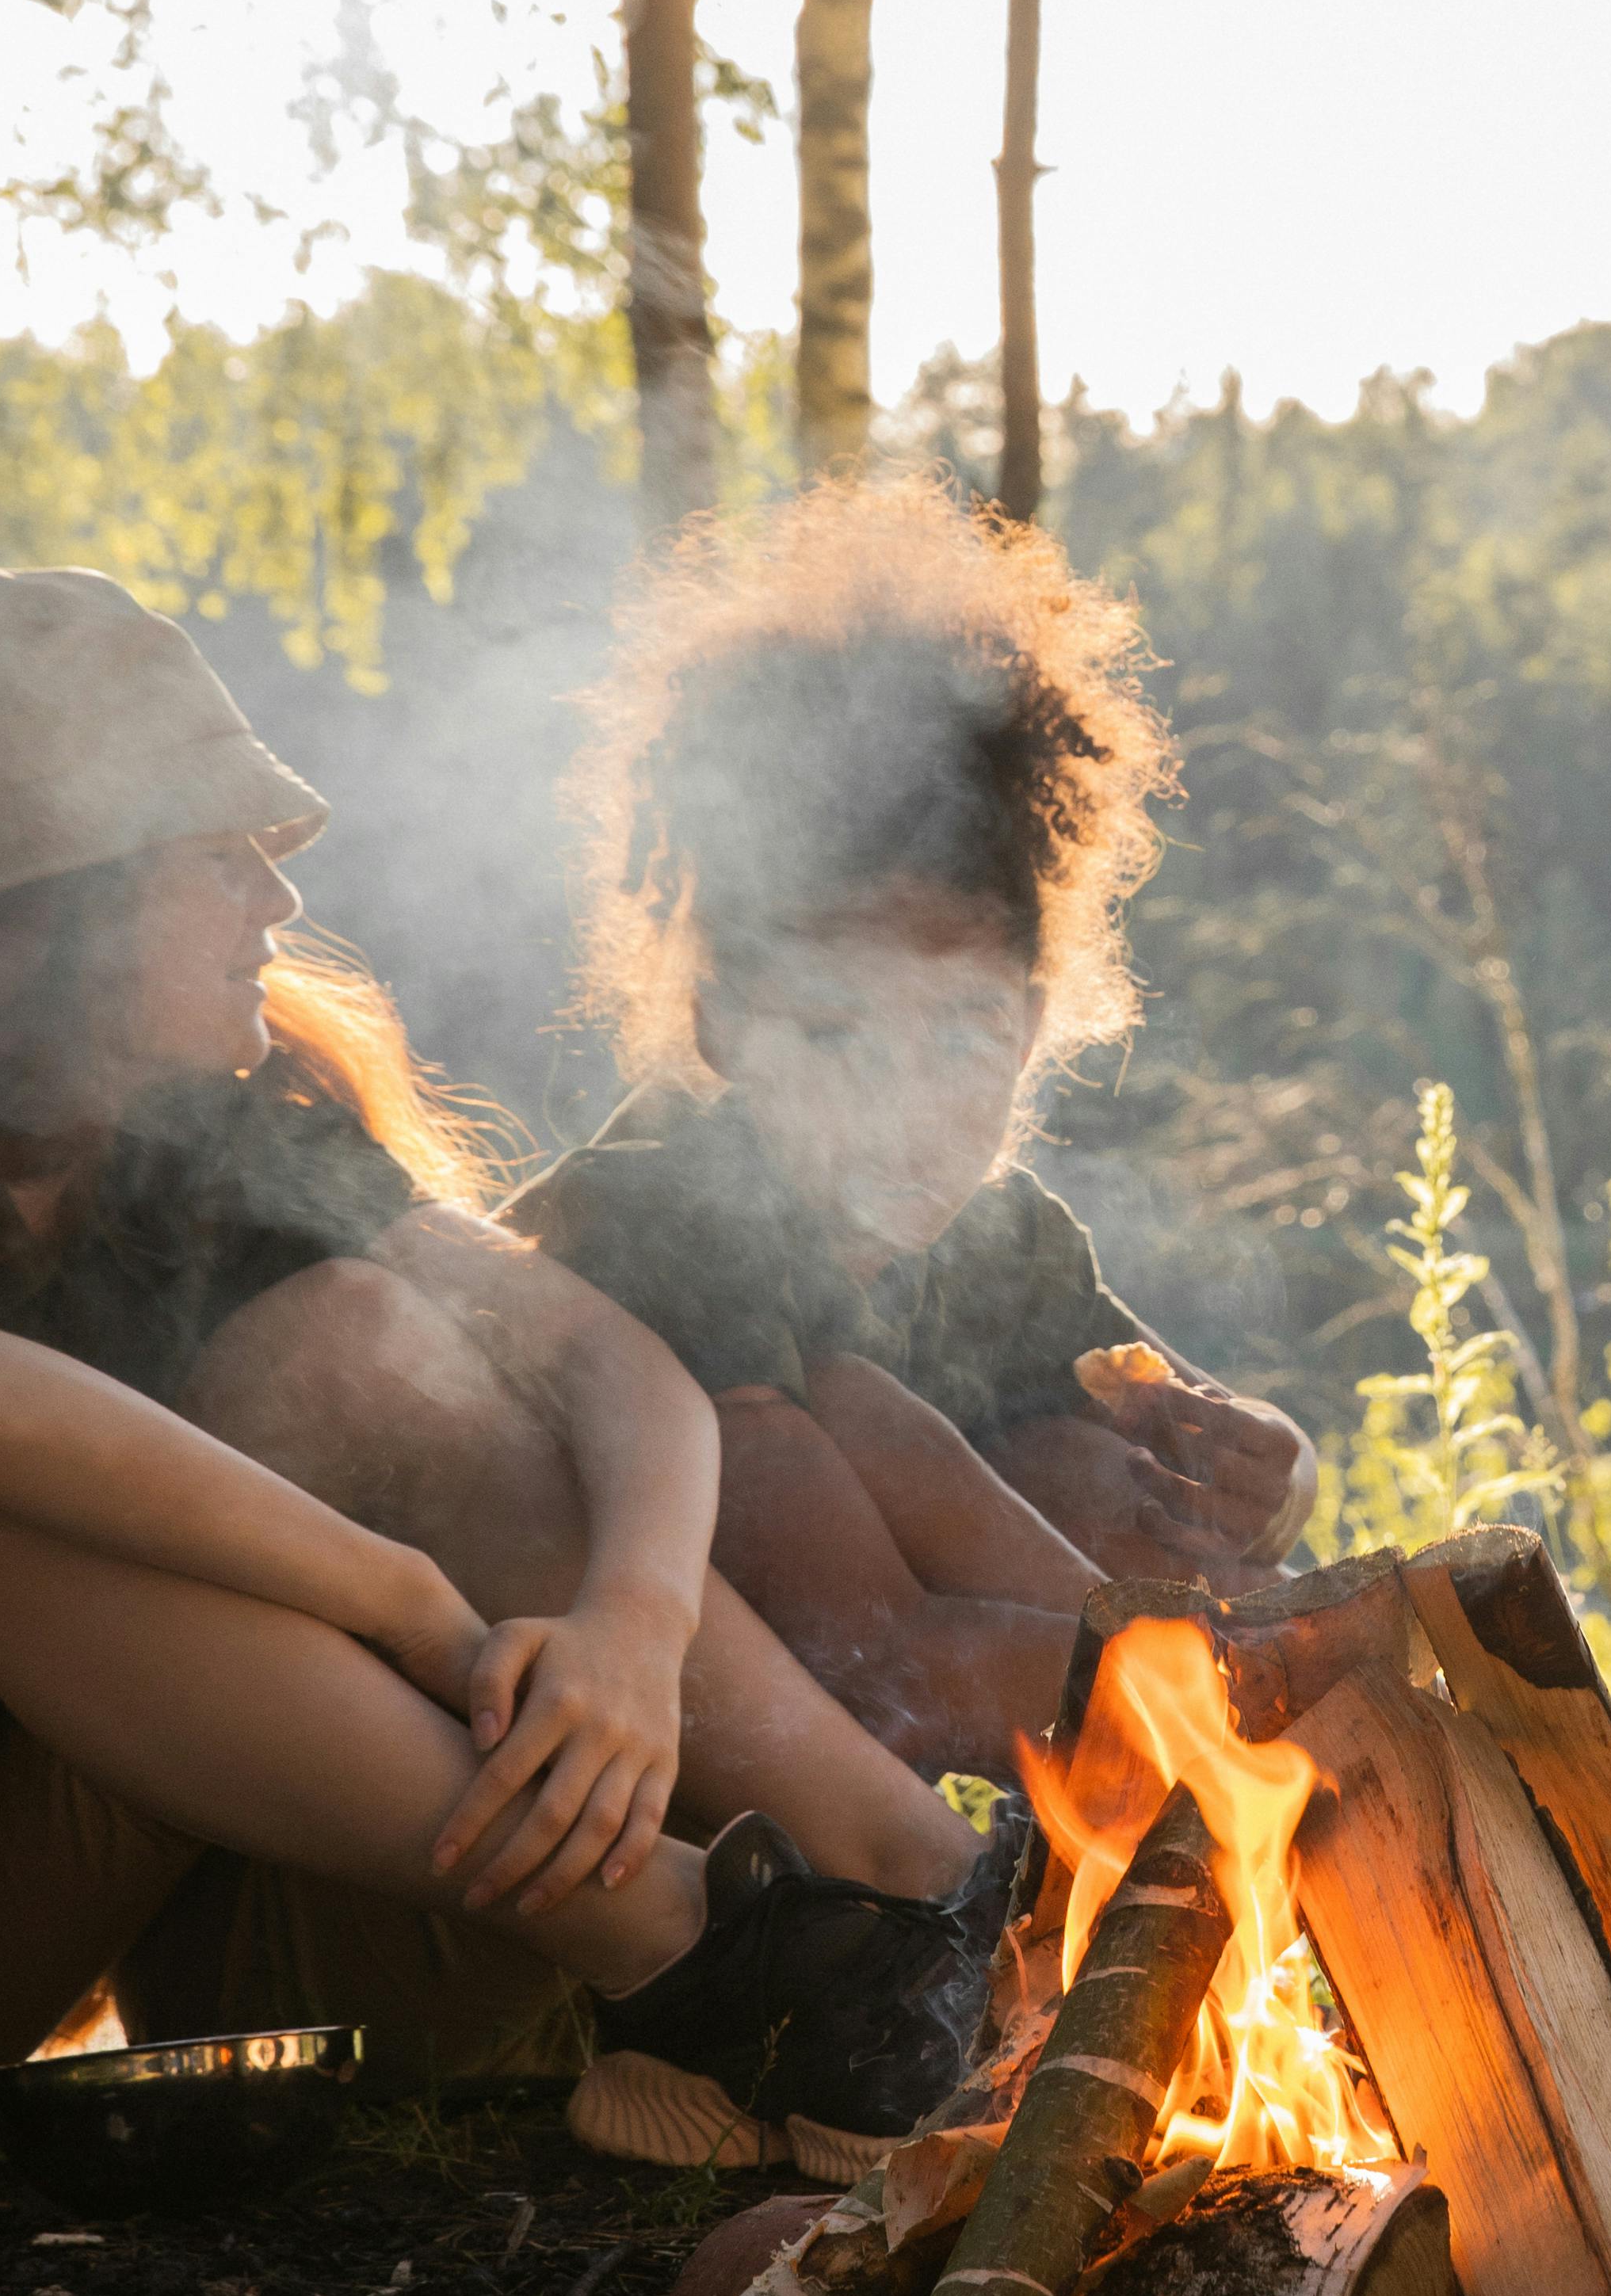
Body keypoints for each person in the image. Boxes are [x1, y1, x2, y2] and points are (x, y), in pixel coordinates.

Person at [0, 565, 1015, 2175]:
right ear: (50, 907)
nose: (278, 903)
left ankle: (906, 1899)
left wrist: (630, 1628)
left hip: (8, 1953)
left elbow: (602, 1360)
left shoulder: (200, 1140)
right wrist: (398, 1600)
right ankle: (685, 1949)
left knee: (354, 1346)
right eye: (220, 856)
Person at [513, 479, 1319, 1785]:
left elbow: (1198, 1476)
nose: (908, 1106)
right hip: (611, 1786)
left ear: (1032, 1024)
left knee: (1106, 1468)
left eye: (960, 1038)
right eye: (838, 1039)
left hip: (849, 1747)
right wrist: (1252, 1718)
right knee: (872, 1411)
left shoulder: (1004, 1242)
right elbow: (880, 1661)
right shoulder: (667, 1216)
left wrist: (1276, 1472)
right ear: (723, 1024)